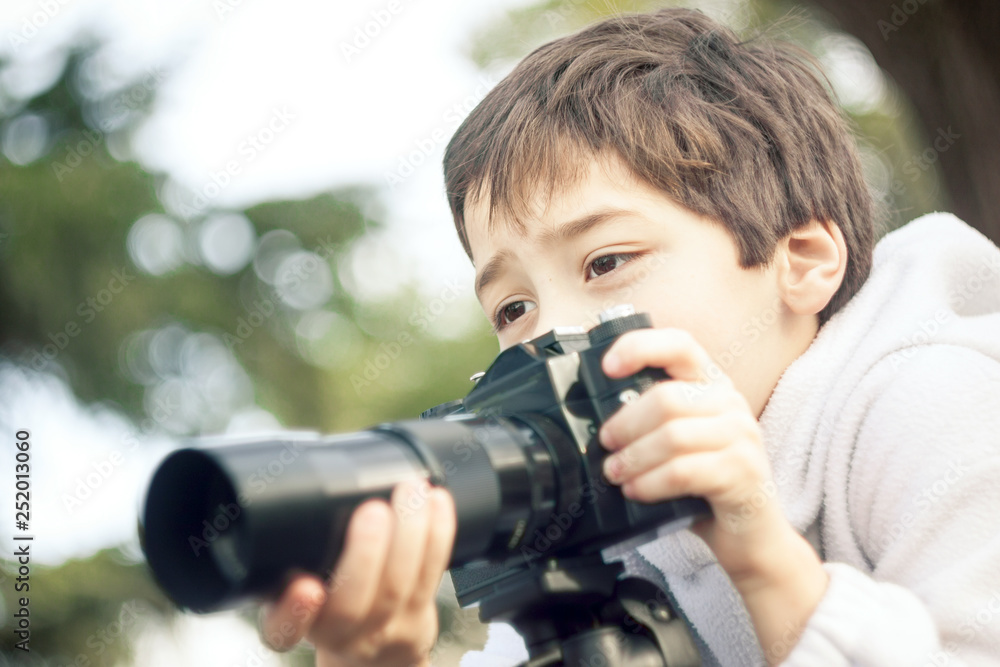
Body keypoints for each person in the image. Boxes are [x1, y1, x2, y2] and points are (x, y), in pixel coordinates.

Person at [260, 8, 1000, 666]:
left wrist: (765, 558)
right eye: (512, 309)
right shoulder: (586, 507)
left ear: (800, 261)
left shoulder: (927, 398)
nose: (549, 331)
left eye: (606, 262)